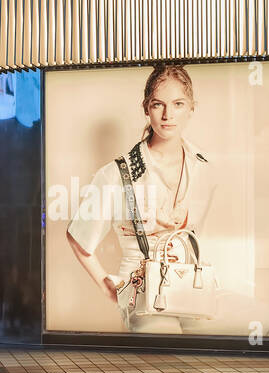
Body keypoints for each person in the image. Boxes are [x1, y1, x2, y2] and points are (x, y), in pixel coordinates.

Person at [66, 62, 215, 335]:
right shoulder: (117, 173)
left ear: (192, 108)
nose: (168, 114)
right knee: (167, 360)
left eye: (178, 104)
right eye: (158, 104)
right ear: (146, 108)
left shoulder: (202, 165)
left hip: (192, 285)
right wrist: (109, 287)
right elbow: (78, 236)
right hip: (143, 290)